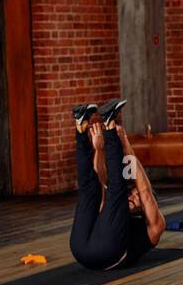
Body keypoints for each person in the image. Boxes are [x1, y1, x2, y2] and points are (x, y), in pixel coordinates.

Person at [69, 98, 166, 271]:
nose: (134, 197)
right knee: (89, 190)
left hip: (108, 255)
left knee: (116, 189)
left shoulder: (153, 227)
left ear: (142, 209)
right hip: (79, 248)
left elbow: (145, 191)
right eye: (133, 194)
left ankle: (109, 123)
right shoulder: (114, 217)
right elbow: (99, 180)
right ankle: (80, 126)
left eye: (137, 199)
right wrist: (98, 148)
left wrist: (119, 142)